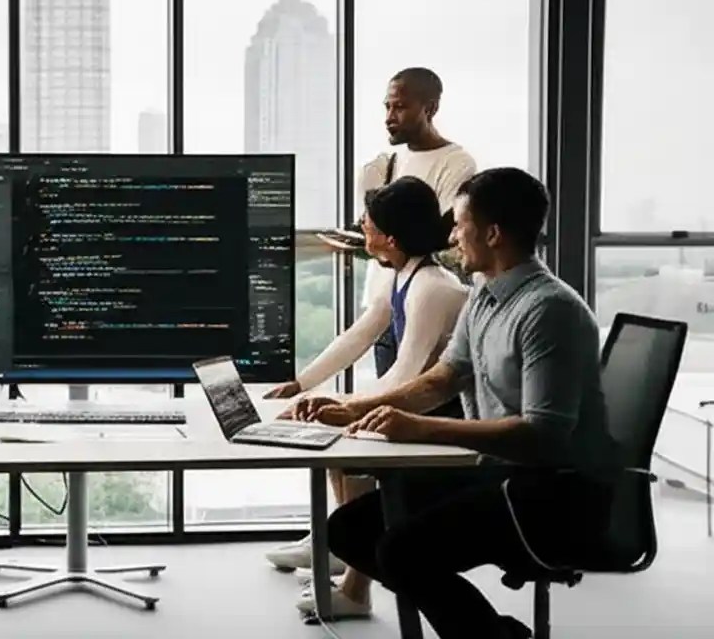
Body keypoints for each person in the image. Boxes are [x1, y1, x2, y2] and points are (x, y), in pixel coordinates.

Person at [294, 168, 619, 639]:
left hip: (552, 494)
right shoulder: (485, 294)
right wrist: (359, 410)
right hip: (498, 474)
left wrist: (421, 428)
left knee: (400, 549)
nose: (450, 235)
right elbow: (444, 377)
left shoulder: (550, 311)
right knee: (347, 530)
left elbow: (543, 435)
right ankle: (492, 633)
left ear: (493, 233)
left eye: (460, 224)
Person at [262, 177, 470, 618]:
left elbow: (407, 373)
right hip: (420, 400)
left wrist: (342, 407)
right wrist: (303, 383)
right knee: (337, 451)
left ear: (390, 238)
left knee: (342, 447)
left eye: (368, 222)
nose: (361, 227)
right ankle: (349, 559)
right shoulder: (403, 275)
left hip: (442, 412)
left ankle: (354, 578)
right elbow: (359, 335)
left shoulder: (433, 287)